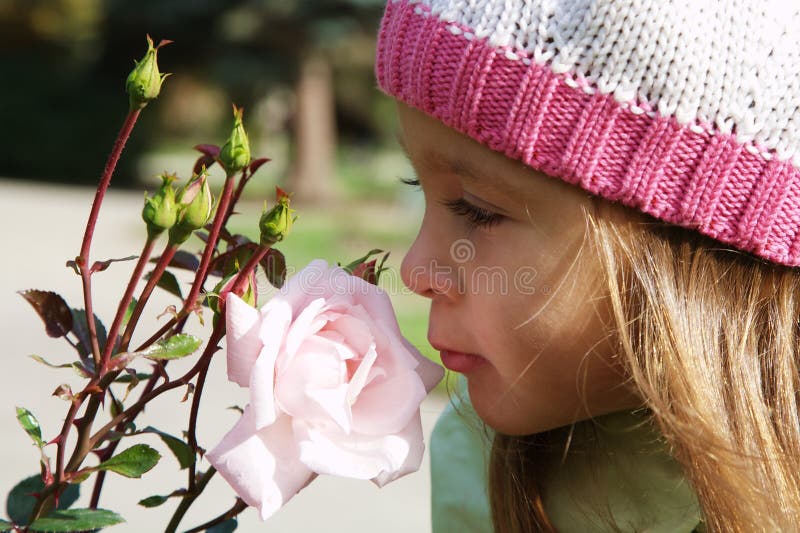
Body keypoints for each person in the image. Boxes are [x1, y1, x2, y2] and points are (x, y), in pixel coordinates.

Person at [373, 0, 800, 531]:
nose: (414, 270)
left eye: (479, 211)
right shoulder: (472, 453)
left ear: (695, 251)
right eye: (418, 185)